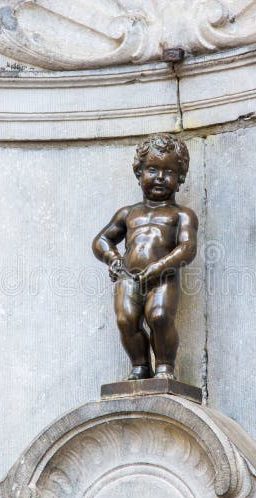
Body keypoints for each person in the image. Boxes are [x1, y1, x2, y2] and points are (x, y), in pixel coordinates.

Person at [92, 133, 198, 381]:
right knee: (125, 320)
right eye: (152, 169)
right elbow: (101, 240)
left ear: (180, 177)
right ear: (139, 172)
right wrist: (113, 258)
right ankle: (140, 366)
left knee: (160, 316)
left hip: (163, 276)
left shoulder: (182, 215)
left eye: (169, 172)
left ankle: (164, 367)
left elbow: (187, 247)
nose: (160, 177)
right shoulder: (128, 213)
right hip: (128, 277)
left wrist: (159, 268)